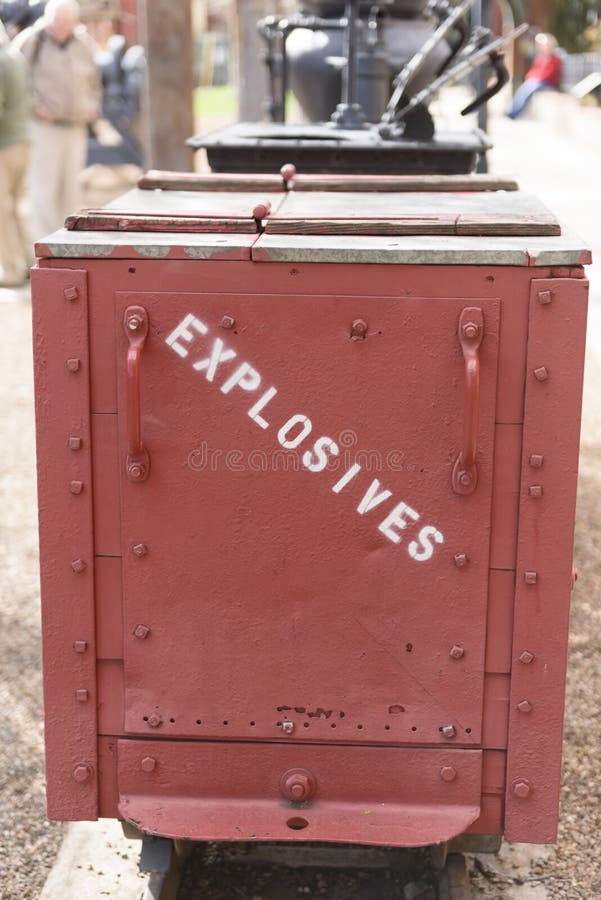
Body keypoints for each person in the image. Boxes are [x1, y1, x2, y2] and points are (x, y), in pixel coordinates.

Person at [13, 0, 101, 237]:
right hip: (44, 127)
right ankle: (43, 244)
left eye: (68, 22)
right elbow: (16, 79)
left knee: (71, 189)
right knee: (43, 190)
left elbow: (95, 79)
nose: (62, 26)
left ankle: (67, 242)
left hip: (76, 125)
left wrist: (92, 106)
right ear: (48, 18)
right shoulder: (32, 40)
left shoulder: (83, 42)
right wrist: (34, 106)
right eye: (58, 21)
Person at [0, 20, 33, 286]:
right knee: (18, 207)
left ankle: (11, 268)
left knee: (3, 210)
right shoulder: (14, 56)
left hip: (5, 145)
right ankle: (28, 261)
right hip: (22, 140)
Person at [508, 33, 562, 120]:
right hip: (537, 80)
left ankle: (514, 112)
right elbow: (535, 70)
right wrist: (530, 77)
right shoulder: (541, 57)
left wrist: (534, 79)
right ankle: (512, 111)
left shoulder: (554, 59)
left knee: (527, 89)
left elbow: (548, 74)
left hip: (545, 82)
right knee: (523, 90)